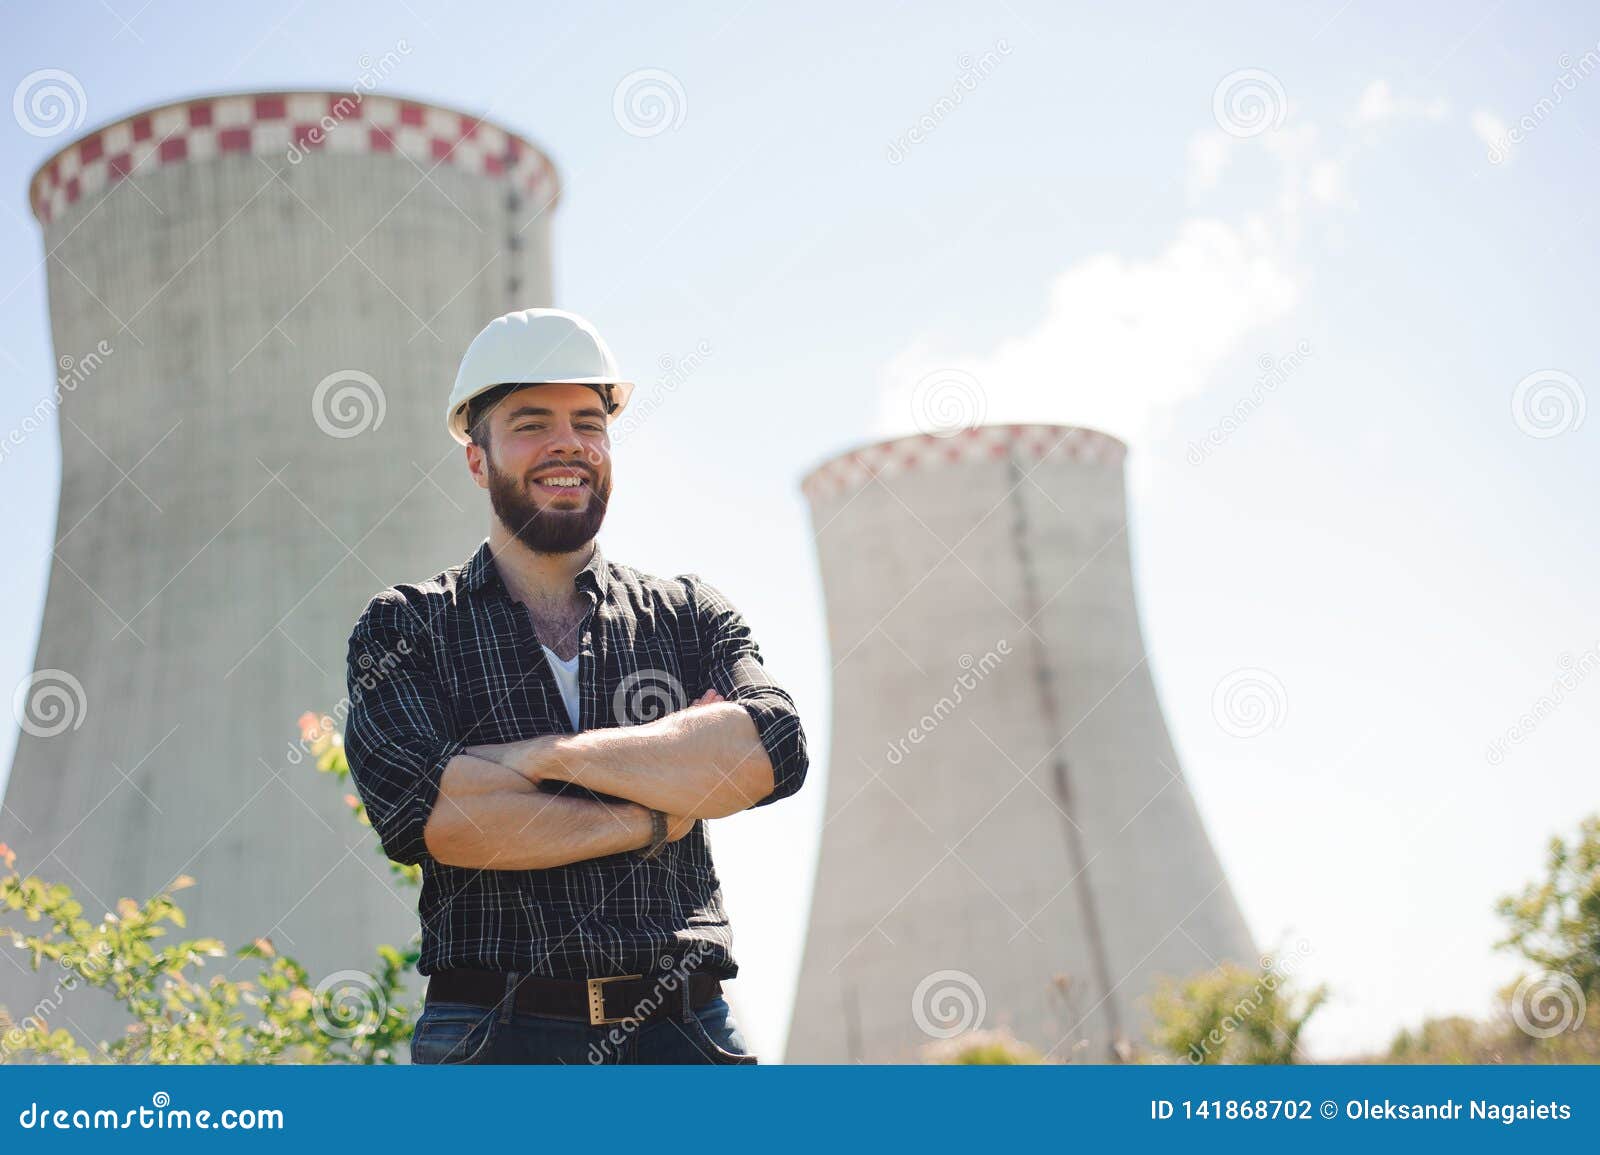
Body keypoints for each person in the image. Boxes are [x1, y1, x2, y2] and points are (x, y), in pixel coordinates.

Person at [344, 308, 808, 1064]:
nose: (568, 443)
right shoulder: (407, 627)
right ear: (476, 460)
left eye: (588, 424)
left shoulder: (687, 614)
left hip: (686, 1035)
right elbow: (437, 819)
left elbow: (768, 752)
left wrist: (534, 760)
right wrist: (654, 813)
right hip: (494, 1038)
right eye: (532, 423)